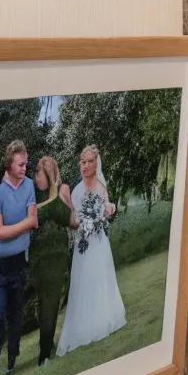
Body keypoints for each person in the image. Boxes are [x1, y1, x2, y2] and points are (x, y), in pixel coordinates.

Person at [57, 145, 127, 356]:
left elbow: (107, 208)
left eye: (89, 162)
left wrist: (110, 208)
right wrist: (80, 223)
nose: (84, 166)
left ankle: (104, 318)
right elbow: (73, 222)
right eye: (82, 162)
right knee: (84, 283)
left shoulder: (101, 186)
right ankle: (85, 326)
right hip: (83, 246)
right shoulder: (77, 191)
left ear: (97, 164)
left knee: (101, 280)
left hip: (100, 243)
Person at [0, 140, 37, 375]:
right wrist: (24, 225)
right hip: (0, 267)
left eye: (26, 163)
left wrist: (21, 225)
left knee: (16, 317)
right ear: (9, 165)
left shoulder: (28, 186)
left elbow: (34, 220)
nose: (25, 168)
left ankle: (12, 359)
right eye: (21, 164)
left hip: (19, 263)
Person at [30, 156, 78, 366]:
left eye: (38, 173)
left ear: (47, 175)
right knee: (42, 305)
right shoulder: (32, 195)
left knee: (50, 304)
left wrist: (55, 194)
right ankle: (46, 346)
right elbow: (34, 217)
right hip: (39, 257)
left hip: (57, 255)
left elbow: (68, 218)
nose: (35, 178)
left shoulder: (61, 191)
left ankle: (44, 353)